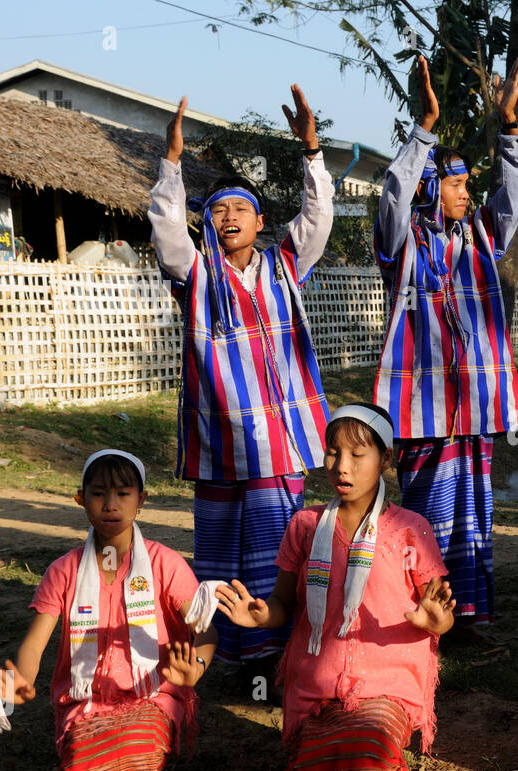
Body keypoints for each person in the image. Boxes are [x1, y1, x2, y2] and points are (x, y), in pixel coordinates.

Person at [148, 88, 332, 678]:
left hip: (278, 442)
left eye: (240, 210)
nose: (228, 218)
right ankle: (225, 655)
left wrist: (311, 149)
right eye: (219, 211)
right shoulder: (194, 272)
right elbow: (167, 231)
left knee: (279, 549)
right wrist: (171, 166)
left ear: (259, 222)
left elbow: (319, 216)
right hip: (221, 443)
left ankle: (279, 654)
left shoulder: (285, 264)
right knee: (223, 549)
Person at [218, 404, 455, 771]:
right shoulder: (306, 526)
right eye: (332, 452)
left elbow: (442, 613)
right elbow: (284, 604)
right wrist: (261, 616)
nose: (341, 466)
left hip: (385, 689)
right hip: (314, 687)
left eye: (357, 454)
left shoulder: (409, 531)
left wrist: (434, 622)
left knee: (361, 759)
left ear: (386, 459)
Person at [373, 55, 518, 626]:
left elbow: (517, 191)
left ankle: (468, 614)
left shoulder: (483, 232)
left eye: (469, 183)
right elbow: (393, 195)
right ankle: (417, 615)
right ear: (430, 186)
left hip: (475, 401)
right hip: (421, 404)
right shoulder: (403, 238)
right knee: (425, 514)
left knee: (474, 509)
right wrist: (425, 128)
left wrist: (510, 125)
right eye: (457, 184)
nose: (468, 193)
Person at [0, 450, 217, 771]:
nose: (110, 505)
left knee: (132, 750)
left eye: (123, 493)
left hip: (153, 697)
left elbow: (207, 631)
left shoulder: (165, 564)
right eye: (98, 494)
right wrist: (22, 678)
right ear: (81, 499)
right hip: (85, 704)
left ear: (142, 499)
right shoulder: (64, 571)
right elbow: (35, 642)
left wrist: (195, 666)